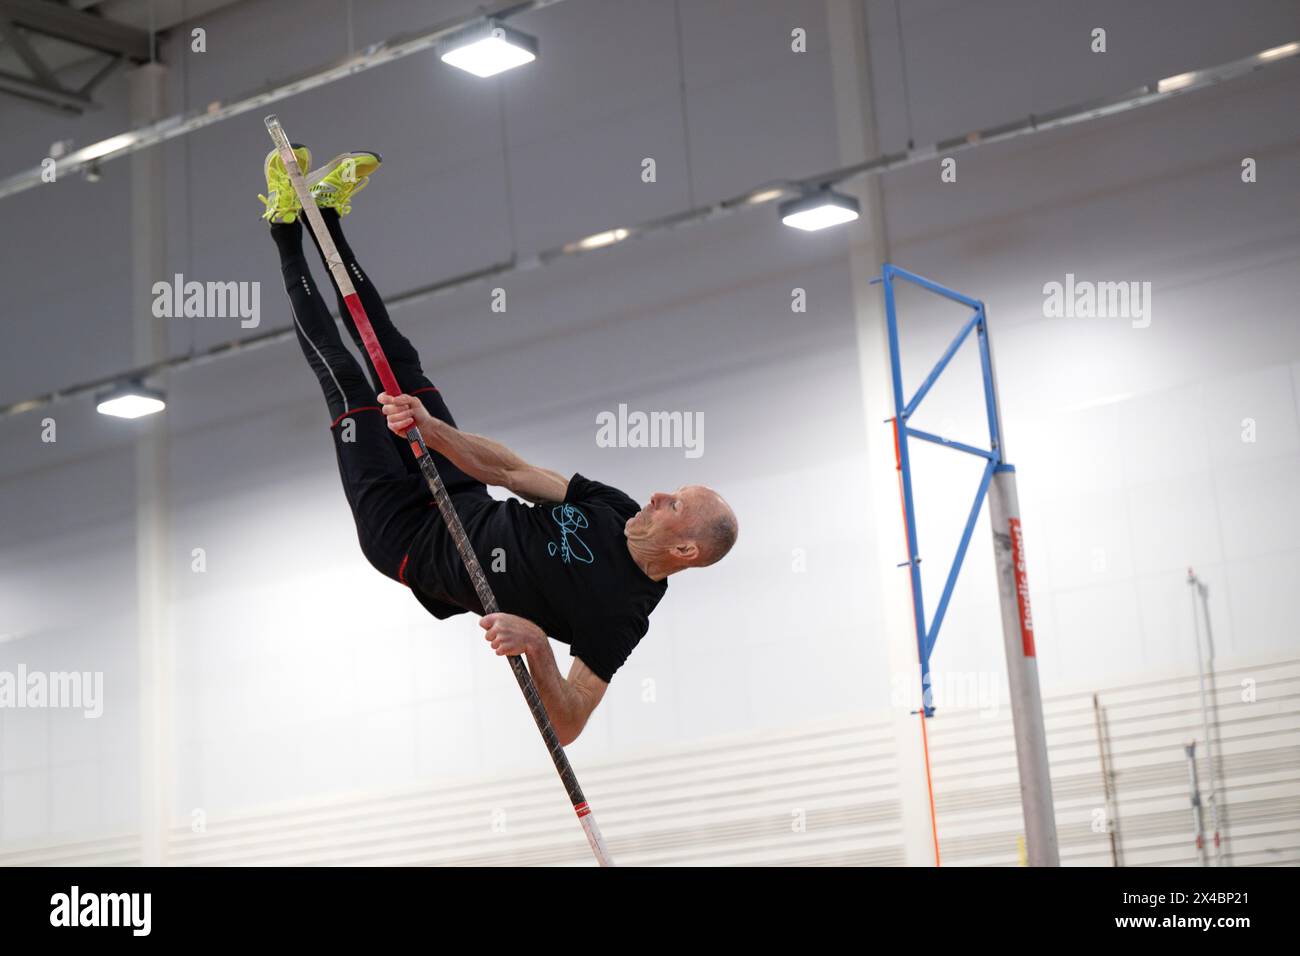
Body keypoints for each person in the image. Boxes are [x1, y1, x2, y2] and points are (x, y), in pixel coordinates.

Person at [260, 147, 738, 745]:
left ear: (687, 548)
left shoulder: (622, 615)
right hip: (464, 493)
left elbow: (566, 725)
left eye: (674, 504)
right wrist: (431, 430)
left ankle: (282, 225)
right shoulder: (612, 507)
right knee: (396, 358)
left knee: (348, 379)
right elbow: (511, 471)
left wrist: (538, 646)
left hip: (407, 539)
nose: (658, 494)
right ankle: (325, 217)